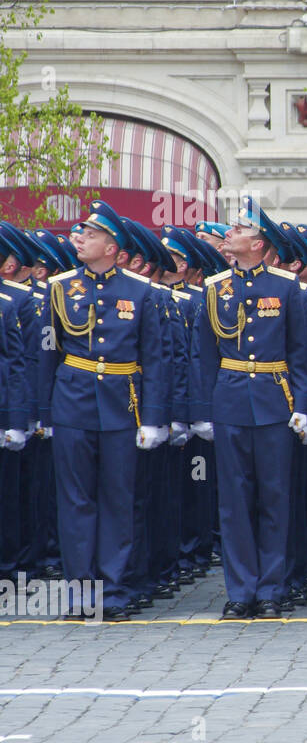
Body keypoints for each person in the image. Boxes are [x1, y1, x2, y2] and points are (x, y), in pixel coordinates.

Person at [39, 201, 166, 620]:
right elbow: (46, 356)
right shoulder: (59, 288)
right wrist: (44, 413)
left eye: (91, 235)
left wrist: (151, 418)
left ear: (112, 248)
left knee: (118, 499)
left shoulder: (139, 291)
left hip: (121, 403)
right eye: (82, 233)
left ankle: (113, 591)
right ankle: (80, 594)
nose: (81, 239)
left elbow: (155, 359)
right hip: (72, 402)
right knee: (75, 500)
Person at [192, 198, 307, 620]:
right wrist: (203, 409)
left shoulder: (285, 287)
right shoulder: (215, 287)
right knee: (234, 500)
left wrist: (303, 405)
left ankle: (271, 588)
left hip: (273, 400)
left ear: (260, 244)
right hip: (229, 400)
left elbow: (301, 352)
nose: (231, 233)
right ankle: (241, 589)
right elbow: (204, 356)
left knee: (274, 497)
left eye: (240, 229)